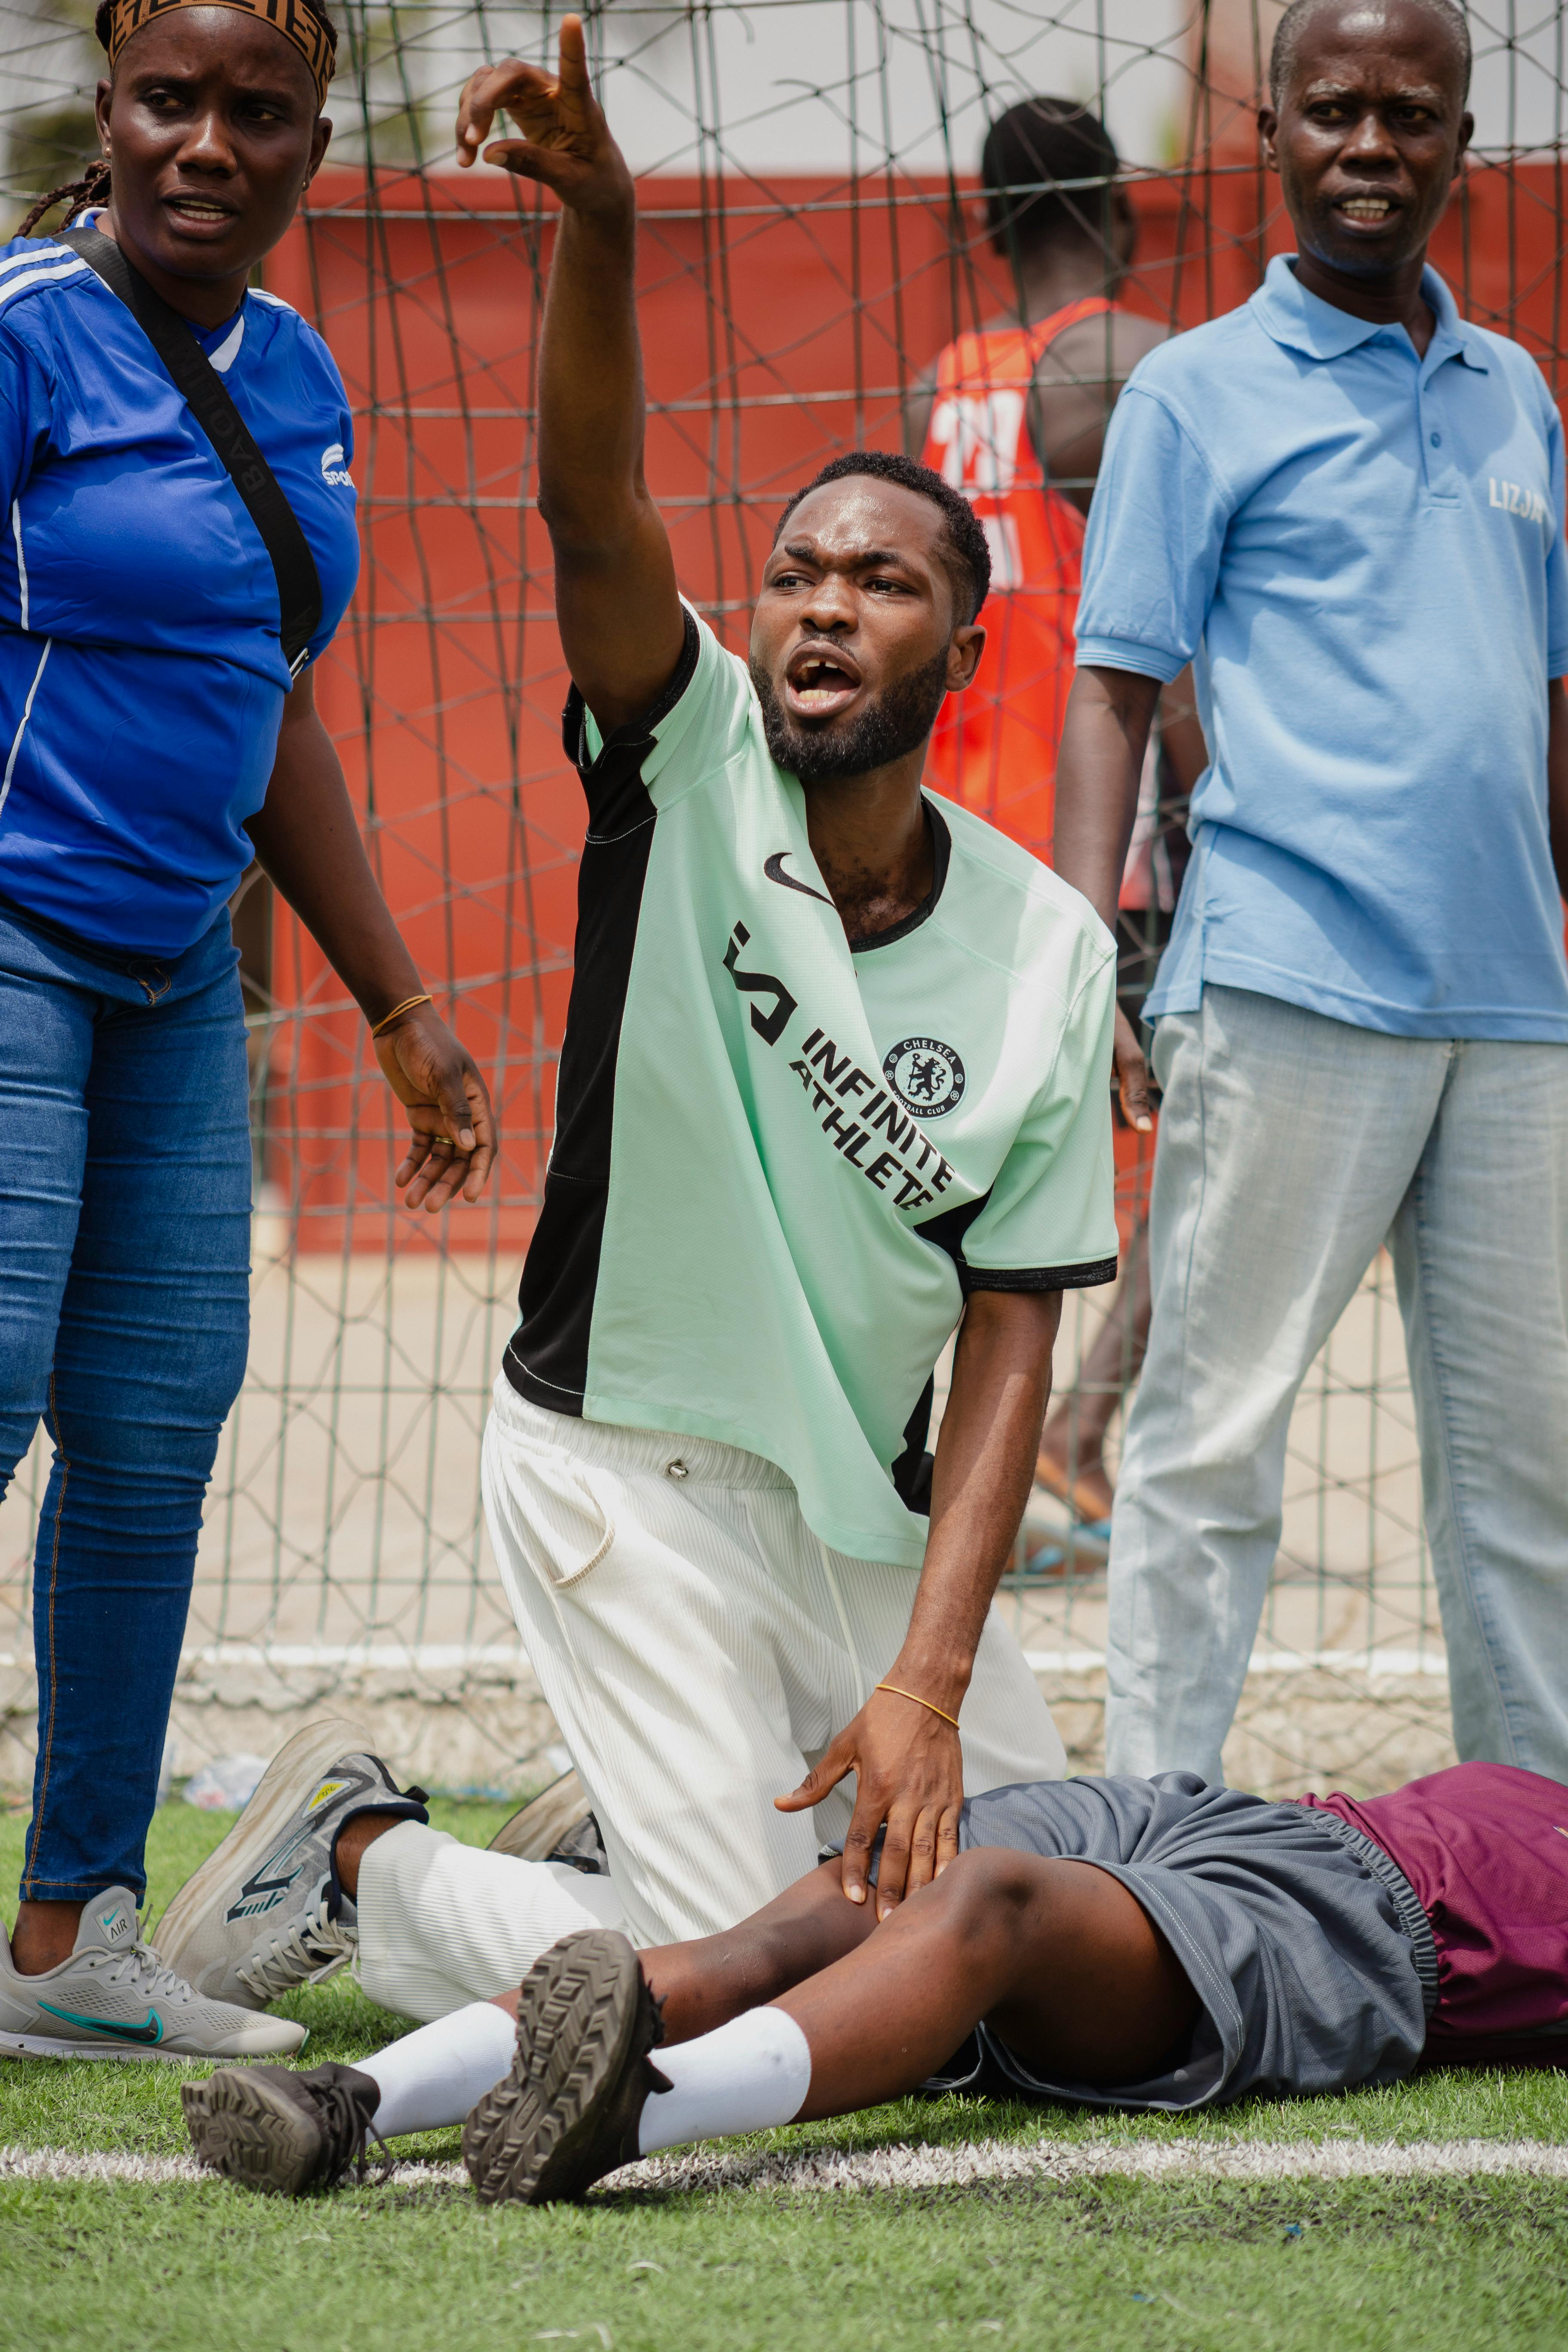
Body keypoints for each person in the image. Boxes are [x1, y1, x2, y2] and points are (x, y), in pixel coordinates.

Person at [149, 12, 1125, 2035]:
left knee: (1021, 1947)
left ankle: (608, 1839)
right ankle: (358, 1857)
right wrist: (599, 224)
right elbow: (594, 514)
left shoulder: (1044, 952)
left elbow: (1015, 1340)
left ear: (964, 643)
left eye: (882, 583)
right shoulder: (687, 759)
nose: (824, 607)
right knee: (772, 1991)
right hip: (622, 1469)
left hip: (856, 1510)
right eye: (794, 576)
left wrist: (930, 1681)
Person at [0, 0, 496, 2063]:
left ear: (312, 144)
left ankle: (70, 1941)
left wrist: (398, 1002)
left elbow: (267, 696)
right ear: (109, 113)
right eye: (169, 101)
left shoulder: (294, 372)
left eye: (259, 113)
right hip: (11, 946)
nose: (209, 143)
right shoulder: (25, 331)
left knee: (151, 1433)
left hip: (182, 977)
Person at [1053, 0, 1568, 1783]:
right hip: (1285, 979)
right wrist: (1083, 953)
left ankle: (1538, 1847)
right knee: (1208, 1447)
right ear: (1271, 132)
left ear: (1462, 144)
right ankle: (1151, 1843)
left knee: (1528, 1474)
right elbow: (1115, 686)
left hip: (1512, 1011)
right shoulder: (1194, 393)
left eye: (1410, 115)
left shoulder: (1519, 397)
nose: (1371, 146)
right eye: (1334, 109)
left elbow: (1544, 705)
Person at [177, 1738, 1568, 2200]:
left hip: (1353, 1919)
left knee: (988, 1903)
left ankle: (634, 2111)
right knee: (814, 1916)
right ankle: (347, 2102)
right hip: (1221, 1815)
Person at [907, 98, 1205, 1543]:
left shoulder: (941, 385)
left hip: (955, 836)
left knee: (957, 1161)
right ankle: (1074, 1439)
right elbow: (1170, 630)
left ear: (986, 225)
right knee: (1210, 1142)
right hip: (1098, 840)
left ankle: (943, 1451)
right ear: (1125, 211)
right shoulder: (1129, 363)